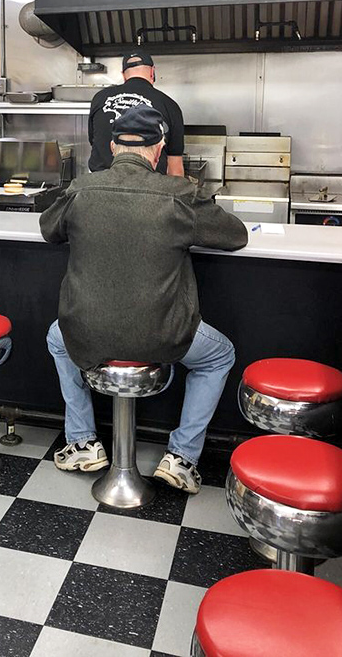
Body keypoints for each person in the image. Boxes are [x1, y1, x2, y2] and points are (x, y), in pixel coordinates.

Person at [40, 105, 247, 494]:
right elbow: (235, 235)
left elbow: (48, 229)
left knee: (57, 337)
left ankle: (82, 441)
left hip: (85, 331)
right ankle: (182, 457)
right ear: (159, 149)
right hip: (163, 336)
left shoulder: (82, 188)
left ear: (114, 146)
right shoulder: (180, 194)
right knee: (220, 356)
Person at [88, 50, 185, 176]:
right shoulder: (169, 105)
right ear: (152, 72)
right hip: (149, 191)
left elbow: (93, 141)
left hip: (98, 188)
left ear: (124, 75)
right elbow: (175, 168)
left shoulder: (100, 98)